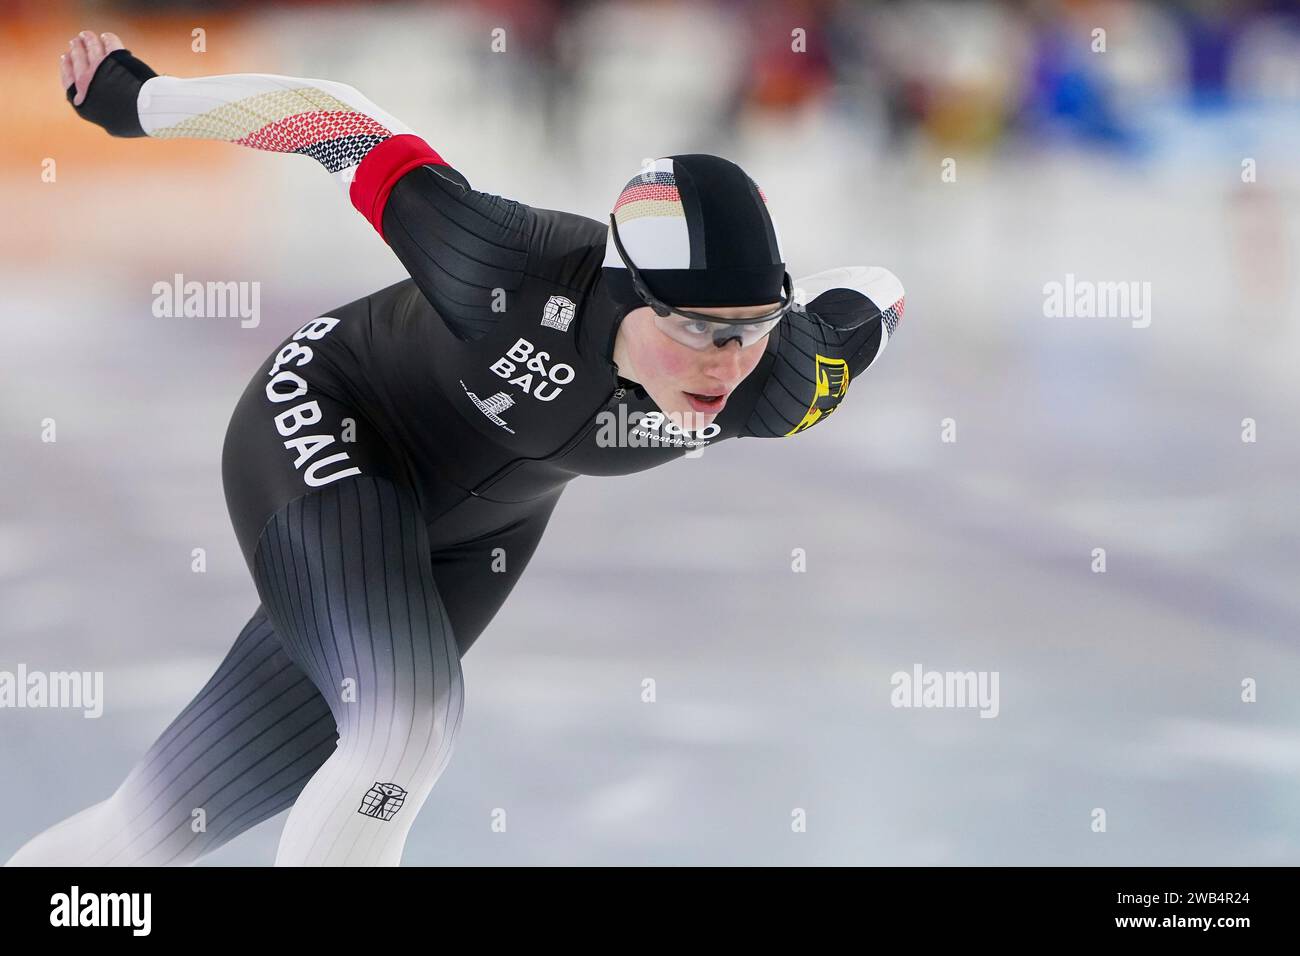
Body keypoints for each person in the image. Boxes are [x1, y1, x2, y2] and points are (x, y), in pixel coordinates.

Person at [7, 30, 906, 867]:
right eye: (702, 331)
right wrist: (143, 99)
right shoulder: (504, 267)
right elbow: (334, 119)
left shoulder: (774, 382)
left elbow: (878, 291)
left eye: (752, 328)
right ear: (628, 291)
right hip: (333, 420)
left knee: (160, 822)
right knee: (407, 727)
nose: (729, 364)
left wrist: (789, 318)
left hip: (477, 534)